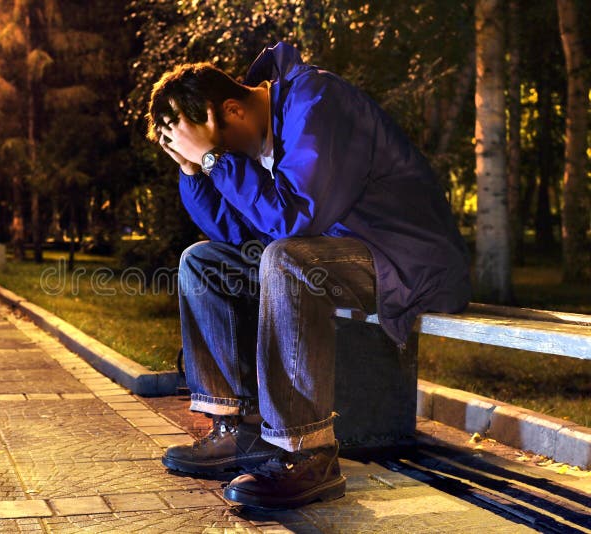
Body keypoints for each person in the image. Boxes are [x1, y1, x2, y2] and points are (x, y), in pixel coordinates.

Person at [147, 42, 471, 509]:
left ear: (233, 110)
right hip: (341, 256)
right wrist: (196, 172)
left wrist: (218, 160)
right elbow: (240, 234)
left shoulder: (316, 102)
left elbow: (292, 221)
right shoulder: (266, 129)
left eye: (206, 143)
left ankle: (306, 453)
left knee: (288, 260)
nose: (210, 155)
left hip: (410, 262)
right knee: (205, 261)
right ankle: (238, 431)